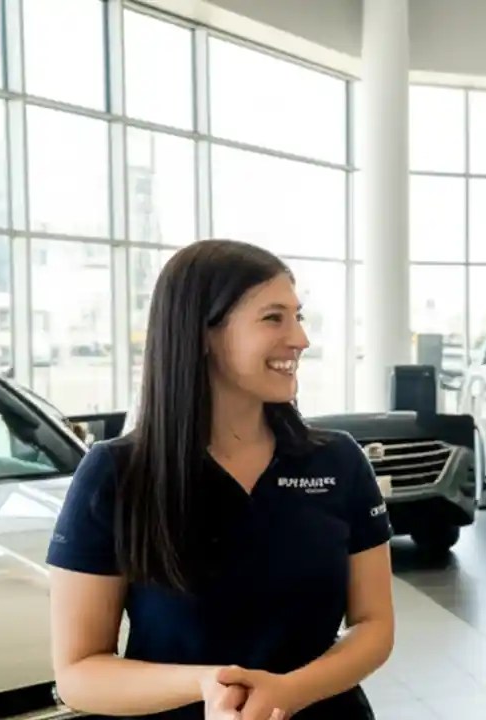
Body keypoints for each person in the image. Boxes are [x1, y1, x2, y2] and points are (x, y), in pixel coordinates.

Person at [45, 239, 395, 719]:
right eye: (274, 318)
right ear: (203, 333)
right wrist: (210, 685)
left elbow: (374, 625)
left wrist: (289, 692)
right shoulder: (117, 475)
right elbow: (79, 672)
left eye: (299, 316)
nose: (300, 339)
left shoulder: (337, 461)